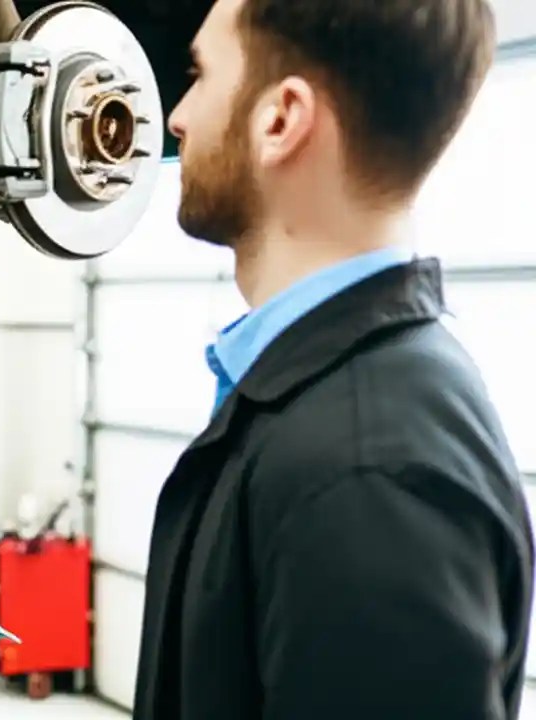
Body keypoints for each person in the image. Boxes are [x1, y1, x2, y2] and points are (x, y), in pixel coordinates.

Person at [133, 0, 534, 718]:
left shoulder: (368, 469)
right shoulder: (331, 397)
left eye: (198, 76)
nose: (177, 116)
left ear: (281, 120)